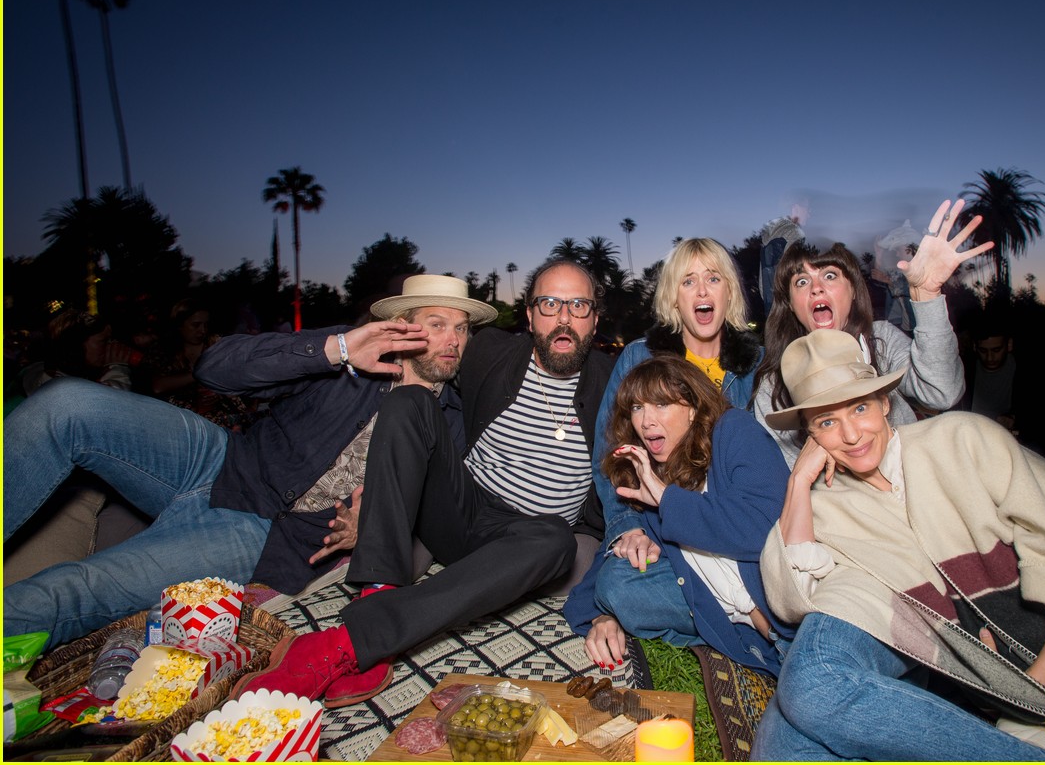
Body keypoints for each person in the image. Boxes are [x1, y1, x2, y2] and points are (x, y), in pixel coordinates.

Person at [750, 329, 1045, 761]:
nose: (851, 435)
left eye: (858, 408)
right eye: (826, 422)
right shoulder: (833, 507)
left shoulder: (962, 439)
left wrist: (1029, 696)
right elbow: (791, 598)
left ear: (884, 402)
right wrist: (798, 485)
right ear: (809, 436)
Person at [2, 277, 470, 648]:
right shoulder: (351, 351)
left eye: (462, 327)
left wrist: (373, 530)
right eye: (436, 323)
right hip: (219, 457)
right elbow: (214, 369)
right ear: (402, 324)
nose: (452, 339)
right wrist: (338, 348)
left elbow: (431, 530)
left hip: (260, 530)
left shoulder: (450, 424)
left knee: (72, 591)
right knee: (66, 404)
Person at [233, 259, 615, 706]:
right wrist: (345, 345)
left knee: (555, 537)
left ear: (594, 319)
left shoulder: (615, 379)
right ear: (529, 316)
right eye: (550, 303)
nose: (564, 317)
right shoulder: (491, 352)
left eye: (578, 305)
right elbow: (430, 345)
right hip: (462, 509)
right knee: (411, 400)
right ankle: (378, 589)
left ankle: (353, 641)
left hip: (527, 541)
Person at [565, 355, 793, 676]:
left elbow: (766, 531)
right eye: (637, 408)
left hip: (791, 612)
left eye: (661, 405)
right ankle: (731, 619)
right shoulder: (651, 474)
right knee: (616, 583)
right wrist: (602, 617)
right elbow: (608, 569)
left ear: (693, 408)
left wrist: (665, 499)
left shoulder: (734, 431)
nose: (646, 421)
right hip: (750, 633)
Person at [753, 198, 989, 466]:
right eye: (802, 281)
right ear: (791, 304)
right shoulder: (774, 384)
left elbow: (942, 392)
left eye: (830, 276)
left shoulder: (882, 341)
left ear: (853, 291)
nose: (816, 288)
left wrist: (926, 297)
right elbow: (790, 474)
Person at [594, 238, 762, 584]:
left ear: (729, 292)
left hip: (733, 525)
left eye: (713, 279)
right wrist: (627, 529)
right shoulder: (640, 358)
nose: (702, 291)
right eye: (688, 281)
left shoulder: (756, 364)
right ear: (673, 297)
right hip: (660, 524)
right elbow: (610, 453)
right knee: (617, 586)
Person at [147, 298, 254, 431]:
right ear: (179, 325)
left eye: (206, 325)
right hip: (182, 419)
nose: (202, 331)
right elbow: (158, 386)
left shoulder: (216, 344)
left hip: (226, 416)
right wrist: (200, 374)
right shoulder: (163, 350)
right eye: (196, 325)